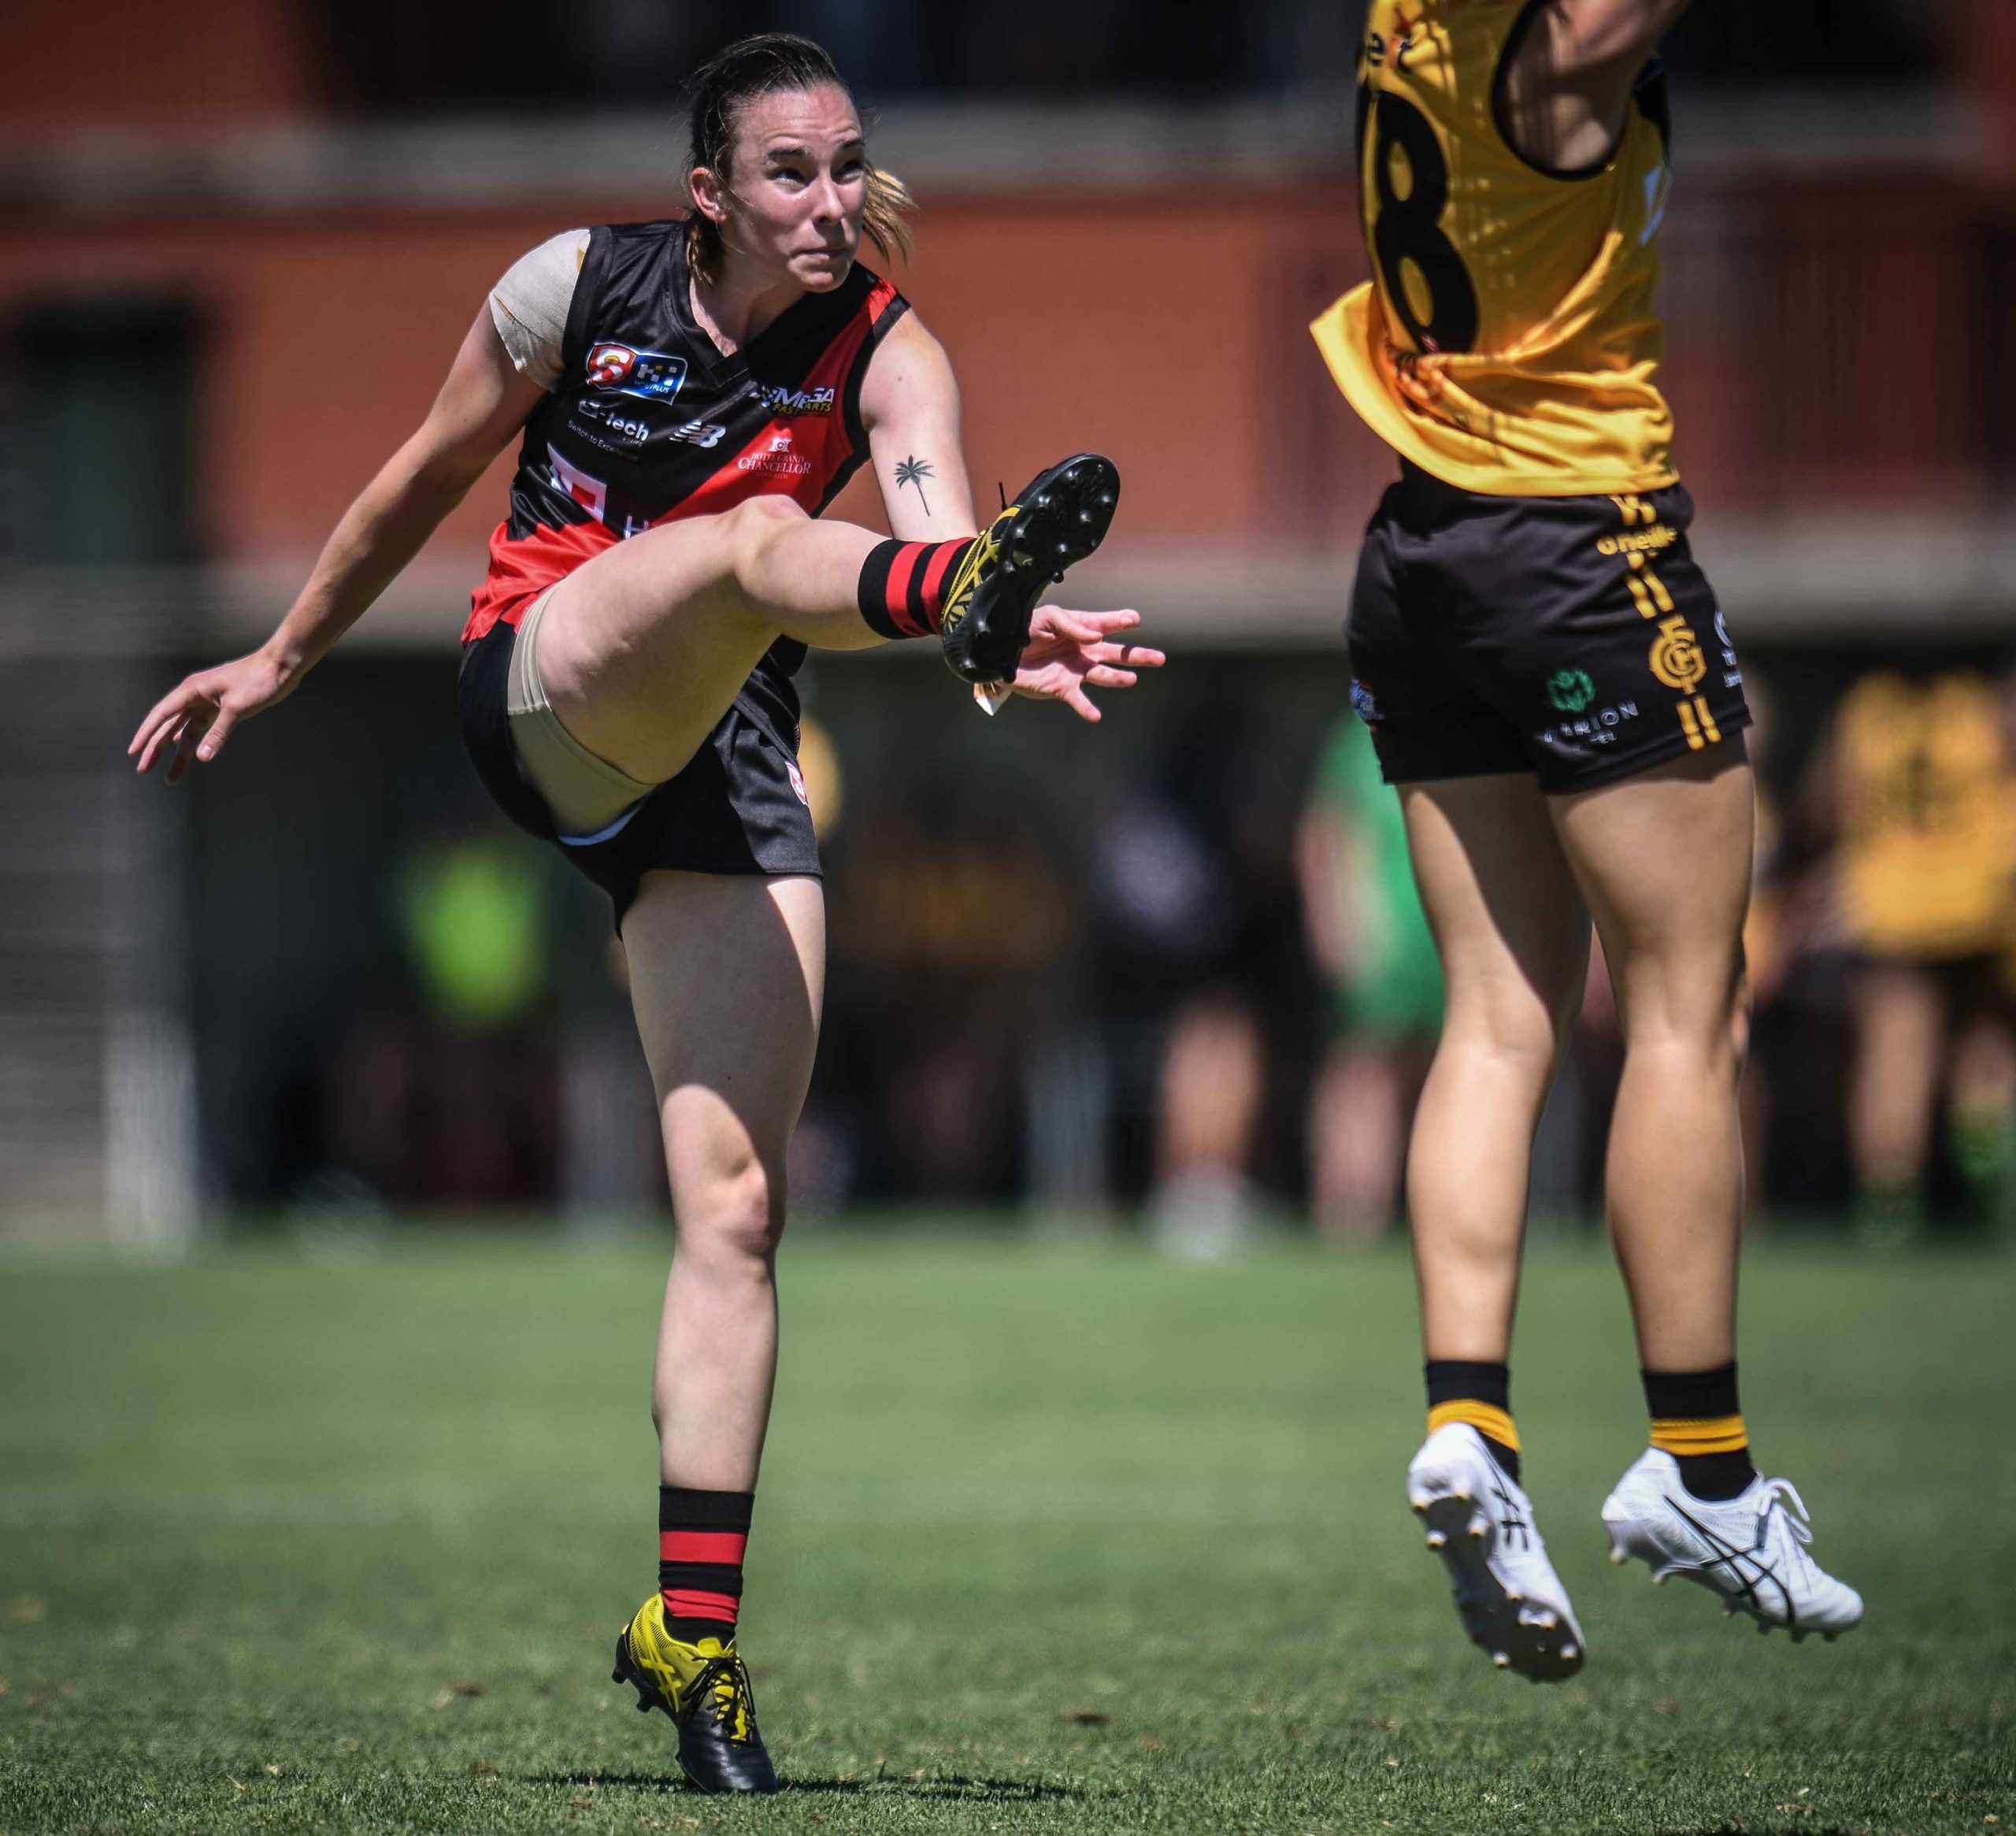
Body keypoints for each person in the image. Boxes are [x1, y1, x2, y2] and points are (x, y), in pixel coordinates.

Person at [128, 32, 1160, 1793]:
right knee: (753, 540)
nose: (829, 202)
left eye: (847, 165)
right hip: (543, 683)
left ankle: (693, 1638)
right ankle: (953, 605)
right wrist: (284, 656)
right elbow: (420, 476)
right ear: (709, 193)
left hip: (728, 762)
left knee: (739, 1206)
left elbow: (936, 534)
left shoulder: (894, 358)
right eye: (788, 173)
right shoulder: (568, 286)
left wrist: (996, 647)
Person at [1310, 0, 1860, 1678]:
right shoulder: (1557, 51)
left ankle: (1466, 1417)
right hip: (1574, 538)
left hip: (1415, 543)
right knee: (1688, 1008)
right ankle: (1699, 1464)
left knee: (1498, 1012)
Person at [1297, 710, 1443, 1243]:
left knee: (1447, 1074)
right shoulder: (1356, 736)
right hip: (1383, 942)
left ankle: (1440, 1220)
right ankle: (1351, 1216)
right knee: (1367, 1075)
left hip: (1447, 939)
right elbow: (1326, 832)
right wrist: (1334, 925)